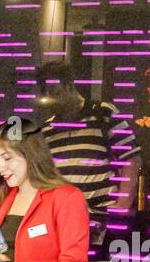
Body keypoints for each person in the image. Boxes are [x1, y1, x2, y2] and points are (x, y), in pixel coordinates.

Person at [35, 62, 141, 246]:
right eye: (48, 94)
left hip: (100, 218)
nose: (53, 100)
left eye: (56, 92)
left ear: (70, 86)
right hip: (62, 219)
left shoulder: (103, 113)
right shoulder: (47, 129)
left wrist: (122, 204)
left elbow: (131, 159)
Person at [0, 117, 90, 262]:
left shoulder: (67, 198)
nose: (0, 167)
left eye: (7, 158)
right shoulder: (0, 197)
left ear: (31, 155)